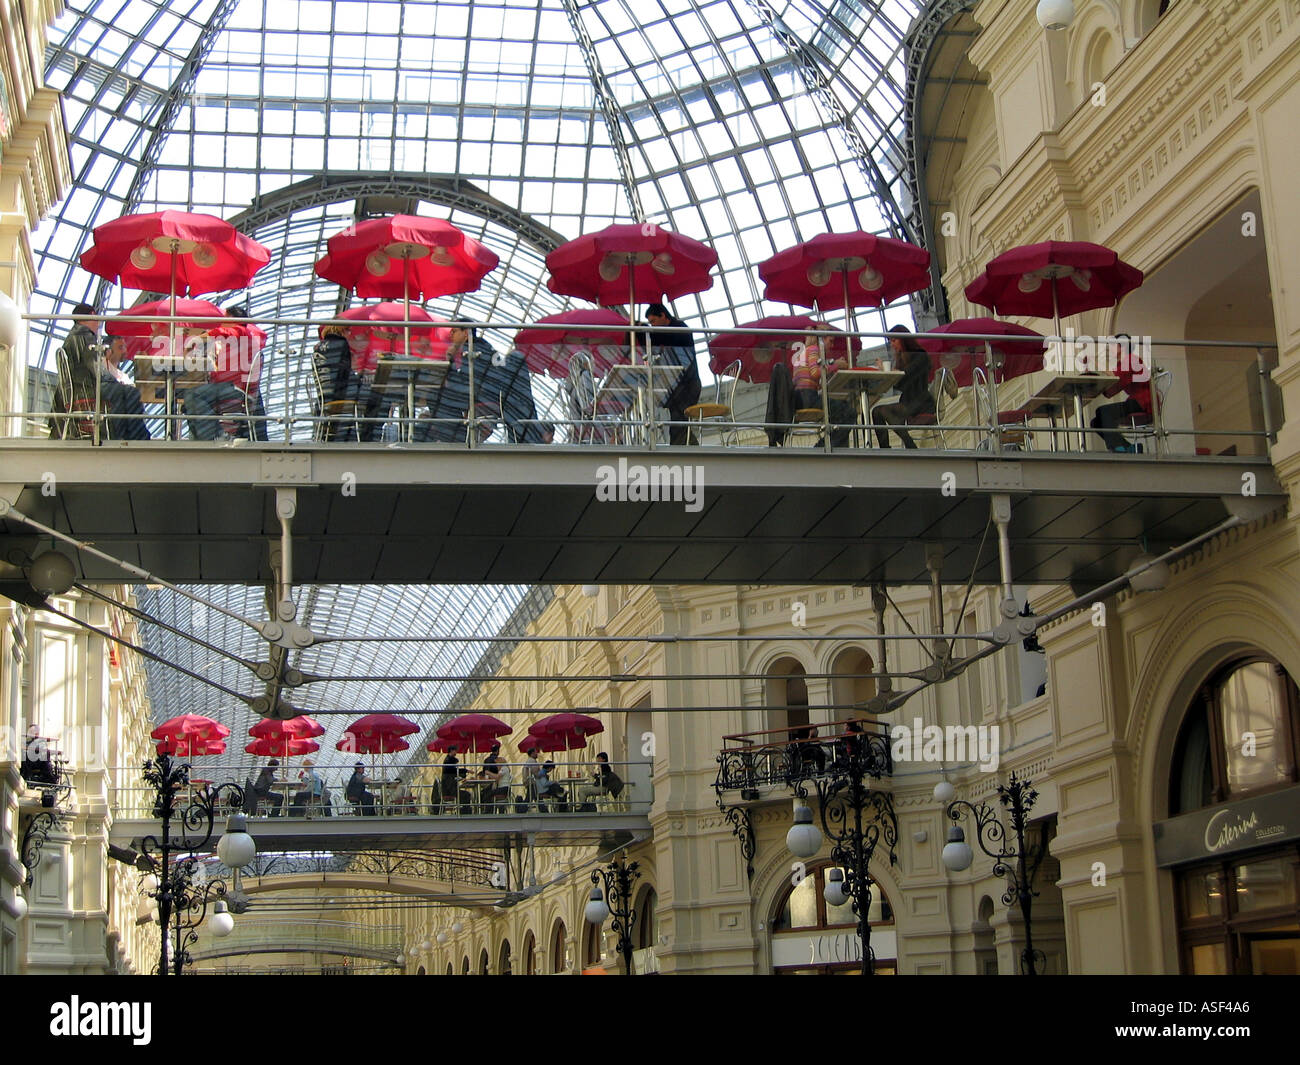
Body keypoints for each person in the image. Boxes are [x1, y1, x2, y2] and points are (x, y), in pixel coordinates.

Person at [54, 304, 151, 440]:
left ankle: (128, 433)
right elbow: (96, 368)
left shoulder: (73, 337)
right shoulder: (85, 336)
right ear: (92, 315)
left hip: (79, 388)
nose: (98, 324)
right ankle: (131, 435)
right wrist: (115, 382)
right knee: (130, 392)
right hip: (87, 388)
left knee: (123, 391)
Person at [644, 302, 701, 446]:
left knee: (677, 418)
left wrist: (644, 330)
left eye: (653, 321)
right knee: (675, 418)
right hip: (679, 384)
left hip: (687, 384)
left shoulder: (680, 328)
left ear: (663, 315)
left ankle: (686, 449)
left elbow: (668, 340)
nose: (653, 326)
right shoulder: (673, 331)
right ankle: (688, 447)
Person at [873, 325, 935, 449]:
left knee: (882, 411)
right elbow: (899, 384)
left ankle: (909, 444)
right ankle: (886, 448)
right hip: (909, 402)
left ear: (903, 340)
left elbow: (906, 376)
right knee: (876, 411)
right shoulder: (904, 359)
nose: (892, 345)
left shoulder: (920, 356)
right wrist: (891, 373)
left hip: (921, 402)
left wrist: (889, 372)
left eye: (894, 340)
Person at [1090, 339, 1153, 452]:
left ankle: (1116, 447)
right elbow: (1113, 386)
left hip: (1143, 402)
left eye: (1113, 345)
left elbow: (1116, 378)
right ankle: (1127, 447)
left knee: (1103, 411)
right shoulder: (1123, 363)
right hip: (1136, 402)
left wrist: (1095, 362)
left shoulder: (1131, 359)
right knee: (1096, 422)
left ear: (1122, 347)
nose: (1110, 348)